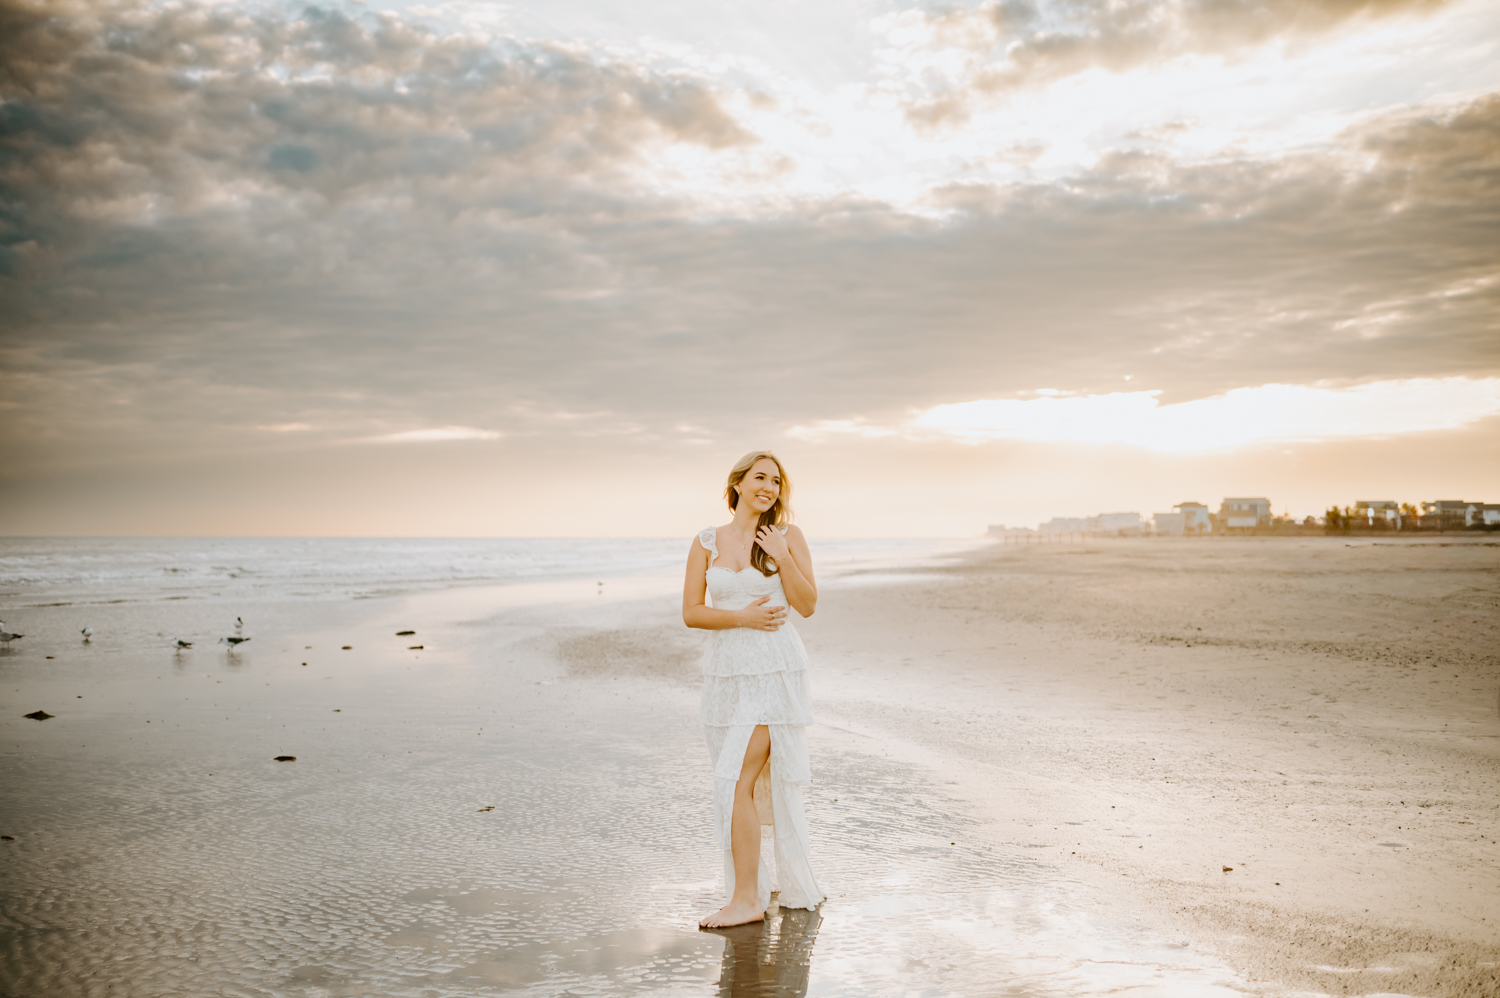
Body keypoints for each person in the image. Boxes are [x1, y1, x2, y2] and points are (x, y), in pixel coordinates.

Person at [683, 450, 826, 929]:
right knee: (737, 784)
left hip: (775, 673)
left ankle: (746, 899)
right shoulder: (707, 542)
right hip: (725, 678)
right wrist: (741, 617)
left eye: (777, 480)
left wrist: (784, 558)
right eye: (760, 477)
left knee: (733, 780)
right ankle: (755, 887)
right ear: (738, 483)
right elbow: (692, 613)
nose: (769, 486)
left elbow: (806, 605)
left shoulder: (788, 537)